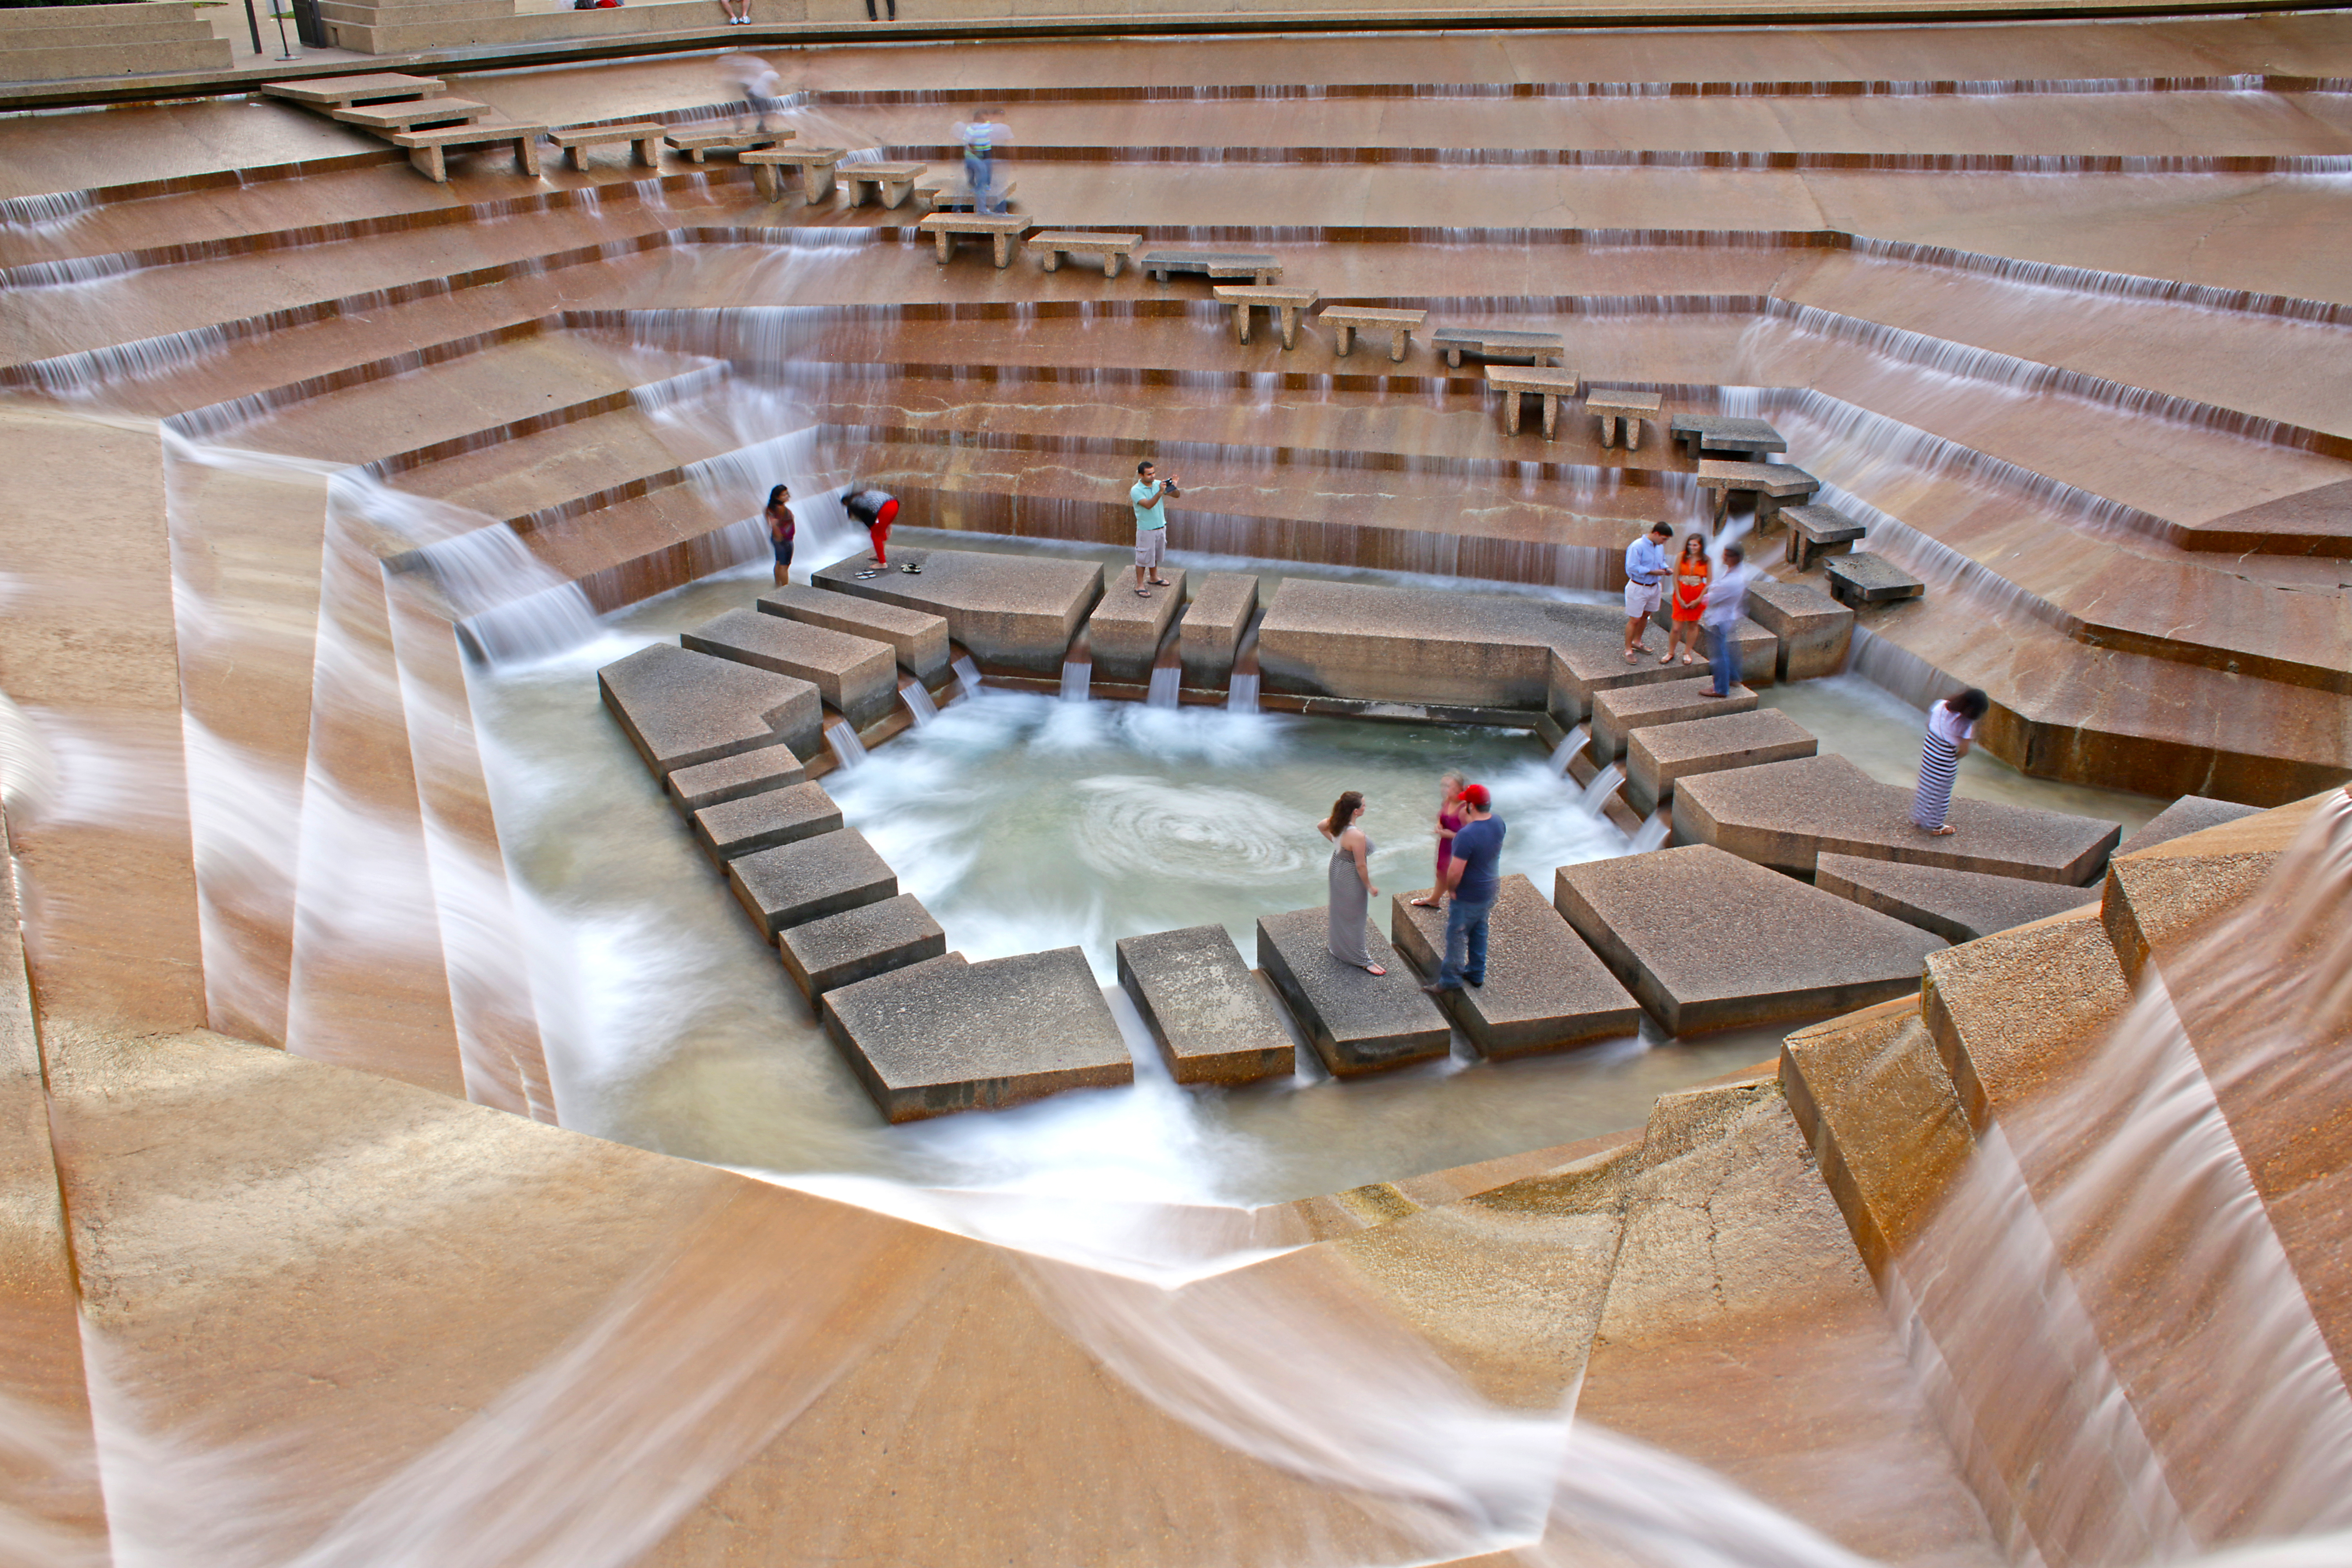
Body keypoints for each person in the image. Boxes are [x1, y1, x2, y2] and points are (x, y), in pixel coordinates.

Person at [1424, 784, 1503, 996]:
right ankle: (1477, 973)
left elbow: (1455, 872)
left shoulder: (1466, 835)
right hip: (1490, 888)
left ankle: (1450, 980)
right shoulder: (1498, 823)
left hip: (1469, 894)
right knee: (1480, 930)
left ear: (1470, 806)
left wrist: (1452, 891)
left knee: (1456, 936)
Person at [1318, 791, 1384, 977]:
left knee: (1340, 912)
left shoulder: (1337, 823)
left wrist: (1337, 842)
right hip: (1349, 875)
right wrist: (1369, 887)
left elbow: (1321, 826)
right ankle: (1360, 959)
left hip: (1337, 866)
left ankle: (1338, 948)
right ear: (1356, 811)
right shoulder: (1356, 836)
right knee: (1355, 916)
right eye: (1363, 805)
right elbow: (1361, 865)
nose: (1366, 807)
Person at [1912, 688, 1990, 837]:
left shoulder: (1939, 705)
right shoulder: (1966, 725)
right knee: (1941, 795)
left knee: (1926, 787)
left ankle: (1919, 818)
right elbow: (1964, 751)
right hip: (1945, 762)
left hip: (1929, 754)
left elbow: (1928, 724)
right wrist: (1954, 760)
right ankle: (1937, 827)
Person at [1698, 541, 1758, 700]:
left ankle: (1721, 688)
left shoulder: (1732, 581)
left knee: (1719, 655)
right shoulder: (1736, 573)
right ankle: (1734, 678)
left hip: (1720, 619)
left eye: (1727, 555)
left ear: (1735, 558)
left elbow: (1710, 599)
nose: (1723, 557)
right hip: (1729, 617)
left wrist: (1694, 597)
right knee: (1729, 650)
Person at [1408, 771, 1466, 909]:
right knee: (1441, 873)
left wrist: (1451, 835)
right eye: (1443, 786)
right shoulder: (1448, 800)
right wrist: (1439, 825)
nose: (1444, 789)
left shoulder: (1464, 809)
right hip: (1445, 844)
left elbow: (1472, 836)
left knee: (1456, 876)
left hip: (1458, 847)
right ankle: (1434, 900)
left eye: (1448, 786)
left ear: (1460, 788)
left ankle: (1462, 907)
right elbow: (1442, 816)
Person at [1621, 520, 1673, 665]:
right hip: (1639, 586)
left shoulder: (1659, 547)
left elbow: (1662, 562)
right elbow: (1632, 567)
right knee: (1635, 619)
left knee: (1646, 615)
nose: (1665, 542)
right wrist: (1651, 571)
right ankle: (1628, 650)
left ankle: (1637, 642)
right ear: (1656, 534)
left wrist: (1666, 569)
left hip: (1654, 586)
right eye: (1664, 539)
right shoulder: (1637, 546)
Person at [1130, 460, 1179, 598]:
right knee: (1143, 557)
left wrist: (1173, 485)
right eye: (1149, 474)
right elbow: (1148, 505)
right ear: (1141, 475)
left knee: (1155, 554)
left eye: (1154, 473)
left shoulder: (1158, 484)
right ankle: (1139, 585)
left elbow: (1176, 496)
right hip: (1146, 529)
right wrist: (1160, 493)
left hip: (1160, 526)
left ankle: (1154, 577)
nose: (1153, 476)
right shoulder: (1136, 491)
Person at [1665, 531, 1709, 667]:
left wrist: (1699, 600)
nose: (1692, 547)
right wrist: (1678, 597)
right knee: (1677, 627)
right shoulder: (1681, 557)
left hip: (1697, 594)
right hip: (1682, 592)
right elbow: (1675, 577)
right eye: (1690, 545)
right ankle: (1671, 652)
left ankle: (1687, 652)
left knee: (1693, 625)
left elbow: (1710, 582)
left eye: (1695, 545)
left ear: (1701, 546)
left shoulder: (1707, 560)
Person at [955, 109, 1011, 214]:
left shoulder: (980, 127)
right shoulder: (975, 128)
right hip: (976, 156)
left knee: (981, 176)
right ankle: (982, 209)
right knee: (980, 180)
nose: (985, 120)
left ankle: (968, 205)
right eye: (983, 118)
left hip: (981, 154)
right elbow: (968, 142)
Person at [842, 486, 902, 579]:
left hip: (885, 509)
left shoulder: (854, 504)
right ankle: (879, 555)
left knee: (875, 536)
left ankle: (882, 563)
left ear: (846, 503)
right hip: (894, 504)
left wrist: (871, 528)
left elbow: (867, 517)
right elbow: (877, 507)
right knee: (879, 532)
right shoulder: (862, 494)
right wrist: (888, 525)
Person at [720, 53, 783, 131]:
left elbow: (767, 84)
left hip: (753, 90)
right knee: (741, 108)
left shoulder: (760, 64)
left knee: (764, 109)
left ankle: (761, 127)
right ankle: (742, 129)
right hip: (747, 89)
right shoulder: (741, 63)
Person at [764, 483, 794, 587]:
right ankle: (785, 588)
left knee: (779, 562)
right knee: (785, 566)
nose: (787, 496)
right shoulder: (780, 509)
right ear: (777, 497)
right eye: (784, 495)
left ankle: (778, 585)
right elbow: (774, 524)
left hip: (777, 540)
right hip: (784, 540)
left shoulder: (771, 508)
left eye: (787, 494)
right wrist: (780, 537)